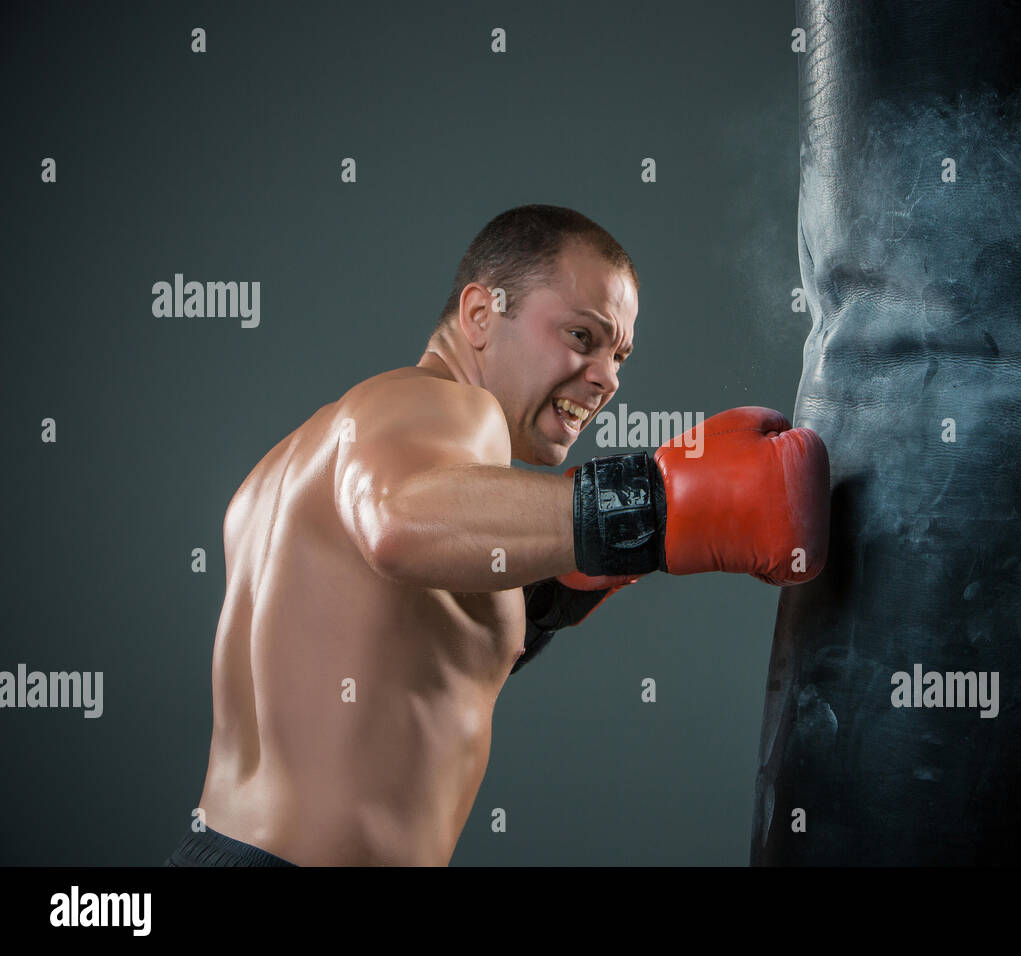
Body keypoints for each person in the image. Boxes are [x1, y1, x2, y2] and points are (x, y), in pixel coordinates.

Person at [166, 204, 829, 866]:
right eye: (582, 336)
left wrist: (541, 600)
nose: (608, 377)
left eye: (619, 355)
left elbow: (392, 663)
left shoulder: (294, 464)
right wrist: (649, 506)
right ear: (481, 314)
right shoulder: (447, 404)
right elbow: (395, 519)